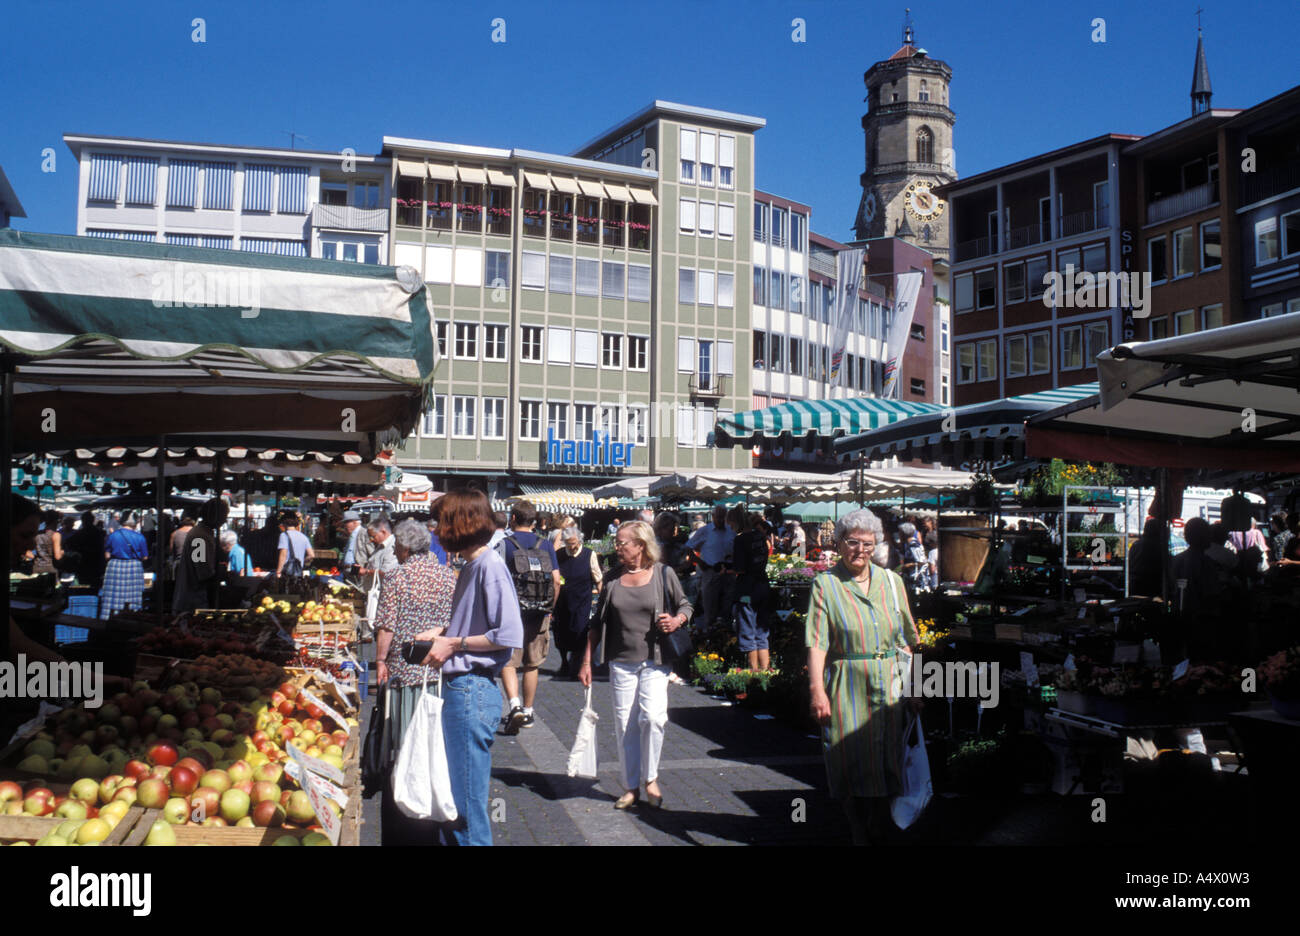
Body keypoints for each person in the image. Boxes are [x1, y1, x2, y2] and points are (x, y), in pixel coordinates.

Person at [411, 490, 523, 846]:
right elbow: (481, 623)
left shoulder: (489, 567)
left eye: (440, 521)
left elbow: (507, 634)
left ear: (457, 523)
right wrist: (444, 631)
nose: (436, 529)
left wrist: (453, 643)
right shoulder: (473, 565)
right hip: (464, 689)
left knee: (465, 811)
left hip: (471, 689)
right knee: (454, 804)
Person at [806, 508, 919, 845]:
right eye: (853, 542)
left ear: (877, 546)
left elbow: (907, 641)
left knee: (888, 759)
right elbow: (816, 642)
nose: (860, 551)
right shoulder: (825, 585)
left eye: (868, 545)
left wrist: (915, 688)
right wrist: (816, 690)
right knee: (848, 759)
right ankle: (858, 829)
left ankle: (880, 827)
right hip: (846, 685)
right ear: (839, 543)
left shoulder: (893, 582)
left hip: (890, 682)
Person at [579, 521, 692, 810]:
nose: (617, 547)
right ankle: (630, 786)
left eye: (621, 543)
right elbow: (596, 622)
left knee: (653, 718)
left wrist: (677, 620)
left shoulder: (663, 574)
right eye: (617, 543)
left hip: (655, 662)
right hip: (621, 662)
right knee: (625, 725)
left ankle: (650, 777)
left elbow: (685, 606)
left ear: (640, 545)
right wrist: (586, 661)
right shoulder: (613, 578)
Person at [372, 518, 458, 845]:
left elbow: (386, 626)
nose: (393, 548)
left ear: (406, 547)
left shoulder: (396, 577)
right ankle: (431, 793)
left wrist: (380, 660)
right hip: (437, 672)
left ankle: (408, 799)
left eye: (396, 544)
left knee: (405, 740)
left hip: (405, 674)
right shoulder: (448, 577)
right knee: (432, 740)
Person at [497, 501, 561, 733]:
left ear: (513, 517)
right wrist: (549, 608)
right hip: (540, 611)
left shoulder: (505, 544)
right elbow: (555, 580)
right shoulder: (545, 544)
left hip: (513, 612)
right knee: (532, 663)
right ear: (533, 520)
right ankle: (529, 710)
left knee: (509, 660)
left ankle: (514, 706)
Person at [554, 526, 602, 678]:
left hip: (582, 601)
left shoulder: (589, 554)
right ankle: (564, 662)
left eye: (574, 543)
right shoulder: (559, 555)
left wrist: (603, 599)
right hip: (562, 601)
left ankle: (577, 663)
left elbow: (598, 578)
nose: (572, 547)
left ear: (580, 540)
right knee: (561, 633)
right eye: (569, 543)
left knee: (579, 632)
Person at [728, 507, 773, 672]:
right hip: (763, 584)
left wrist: (728, 568)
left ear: (735, 522)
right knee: (761, 630)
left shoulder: (740, 540)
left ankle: (753, 672)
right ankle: (766, 670)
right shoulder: (760, 536)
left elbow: (740, 568)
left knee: (747, 628)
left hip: (747, 589)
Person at [685, 505, 735, 629]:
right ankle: (709, 636)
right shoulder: (705, 531)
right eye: (718, 517)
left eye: (723, 517)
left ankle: (727, 636)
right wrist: (700, 562)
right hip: (711, 572)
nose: (721, 520)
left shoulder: (731, 531)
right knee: (710, 606)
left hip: (728, 572)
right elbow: (688, 548)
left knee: (727, 607)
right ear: (713, 517)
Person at [100, 512, 149, 619]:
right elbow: (145, 557)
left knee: (112, 596)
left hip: (115, 566)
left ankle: (110, 617)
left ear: (122, 522)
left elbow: (107, 556)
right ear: (135, 524)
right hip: (134, 566)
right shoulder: (140, 537)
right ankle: (133, 615)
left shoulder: (113, 536)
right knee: (133, 596)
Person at [67, 511, 107, 590]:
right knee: (95, 589)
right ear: (92, 520)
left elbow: (68, 544)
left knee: (84, 589)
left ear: (83, 521)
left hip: (83, 566)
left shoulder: (80, 533)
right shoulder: (100, 533)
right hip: (96, 566)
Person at [275, 512, 314, 576]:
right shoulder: (303, 537)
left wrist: (278, 572)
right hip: (299, 572)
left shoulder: (284, 535)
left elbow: (283, 554)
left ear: (284, 523)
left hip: (287, 573)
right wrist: (302, 561)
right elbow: (311, 555)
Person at [32, 510, 63, 575]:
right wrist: (63, 552)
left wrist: (37, 557)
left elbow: (26, 552)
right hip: (50, 569)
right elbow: (58, 557)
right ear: (56, 521)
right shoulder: (56, 535)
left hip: (36, 568)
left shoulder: (37, 533)